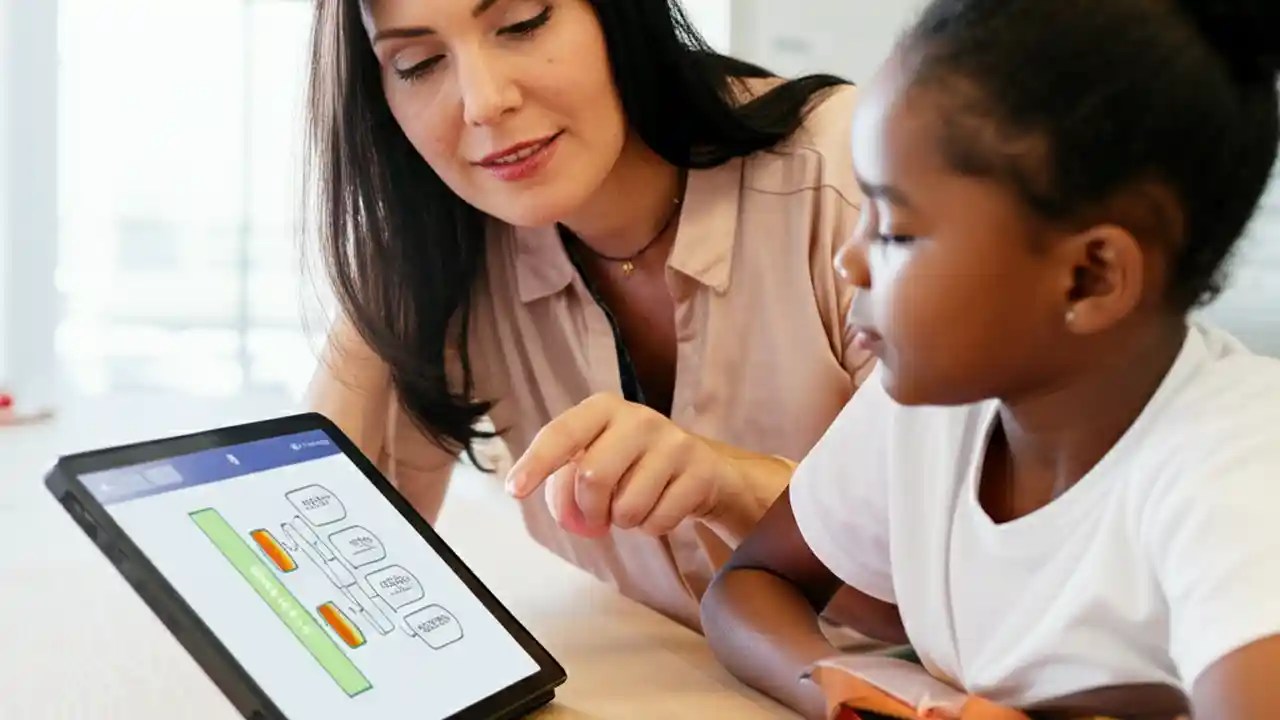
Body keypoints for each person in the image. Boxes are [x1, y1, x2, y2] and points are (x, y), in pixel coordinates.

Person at [701, 0, 1280, 717]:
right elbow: (753, 583)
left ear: (1090, 277)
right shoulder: (937, 401)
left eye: (898, 233)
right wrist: (858, 695)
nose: (851, 261)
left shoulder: (1235, 471)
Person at [303, 0, 877, 633]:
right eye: (418, 63)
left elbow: (954, 586)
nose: (484, 101)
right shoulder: (460, 253)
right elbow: (321, 576)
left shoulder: (858, 177)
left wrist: (731, 485)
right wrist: (387, 258)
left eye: (522, 24)